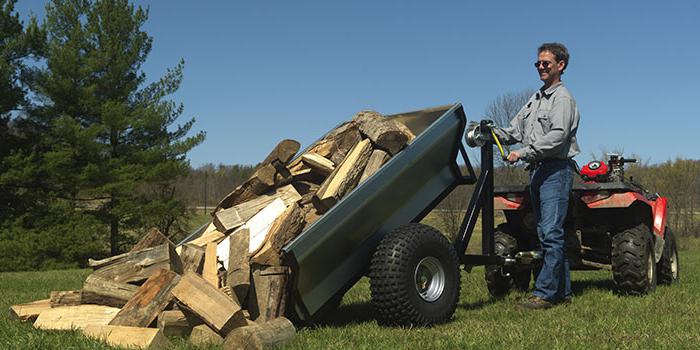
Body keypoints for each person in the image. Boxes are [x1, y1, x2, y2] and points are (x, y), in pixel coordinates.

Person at [493, 42, 581, 309]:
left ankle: (544, 293)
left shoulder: (562, 98)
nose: (541, 67)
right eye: (538, 64)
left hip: (556, 170)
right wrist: (491, 132)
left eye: (546, 63)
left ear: (561, 66)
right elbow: (514, 130)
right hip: (539, 171)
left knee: (550, 232)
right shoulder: (536, 98)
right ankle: (563, 294)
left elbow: (557, 137)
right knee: (549, 232)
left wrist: (523, 153)